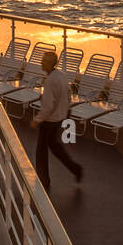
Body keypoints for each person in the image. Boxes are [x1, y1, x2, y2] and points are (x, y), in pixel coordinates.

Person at [30, 50, 83, 190]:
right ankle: (76, 169)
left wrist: (37, 119)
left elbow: (48, 106)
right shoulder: (61, 76)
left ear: (48, 64)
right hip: (61, 116)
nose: (41, 63)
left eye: (43, 61)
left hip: (50, 121)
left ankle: (43, 182)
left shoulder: (50, 81)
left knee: (41, 151)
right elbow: (67, 95)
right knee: (54, 146)